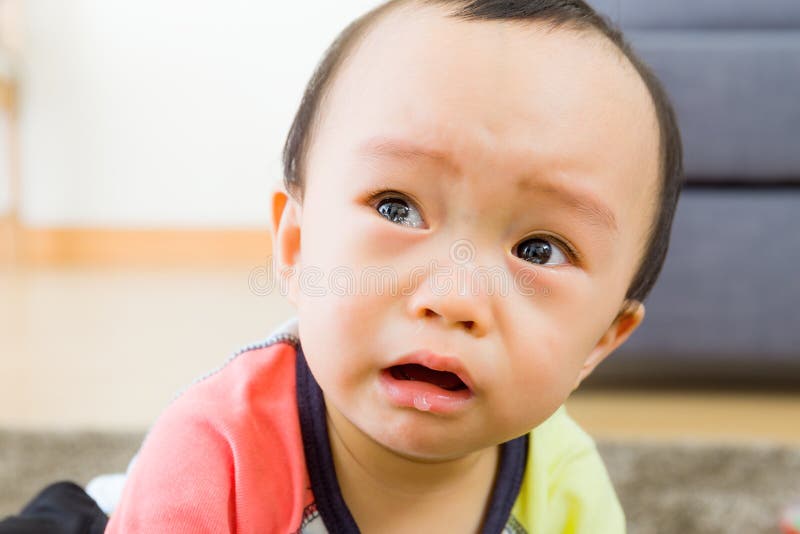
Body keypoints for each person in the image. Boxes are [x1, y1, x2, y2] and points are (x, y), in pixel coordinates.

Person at [6, 0, 683, 532]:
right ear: (297, 248)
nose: (453, 298)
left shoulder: (565, 483)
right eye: (396, 208)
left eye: (538, 250)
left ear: (600, 340)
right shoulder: (215, 452)